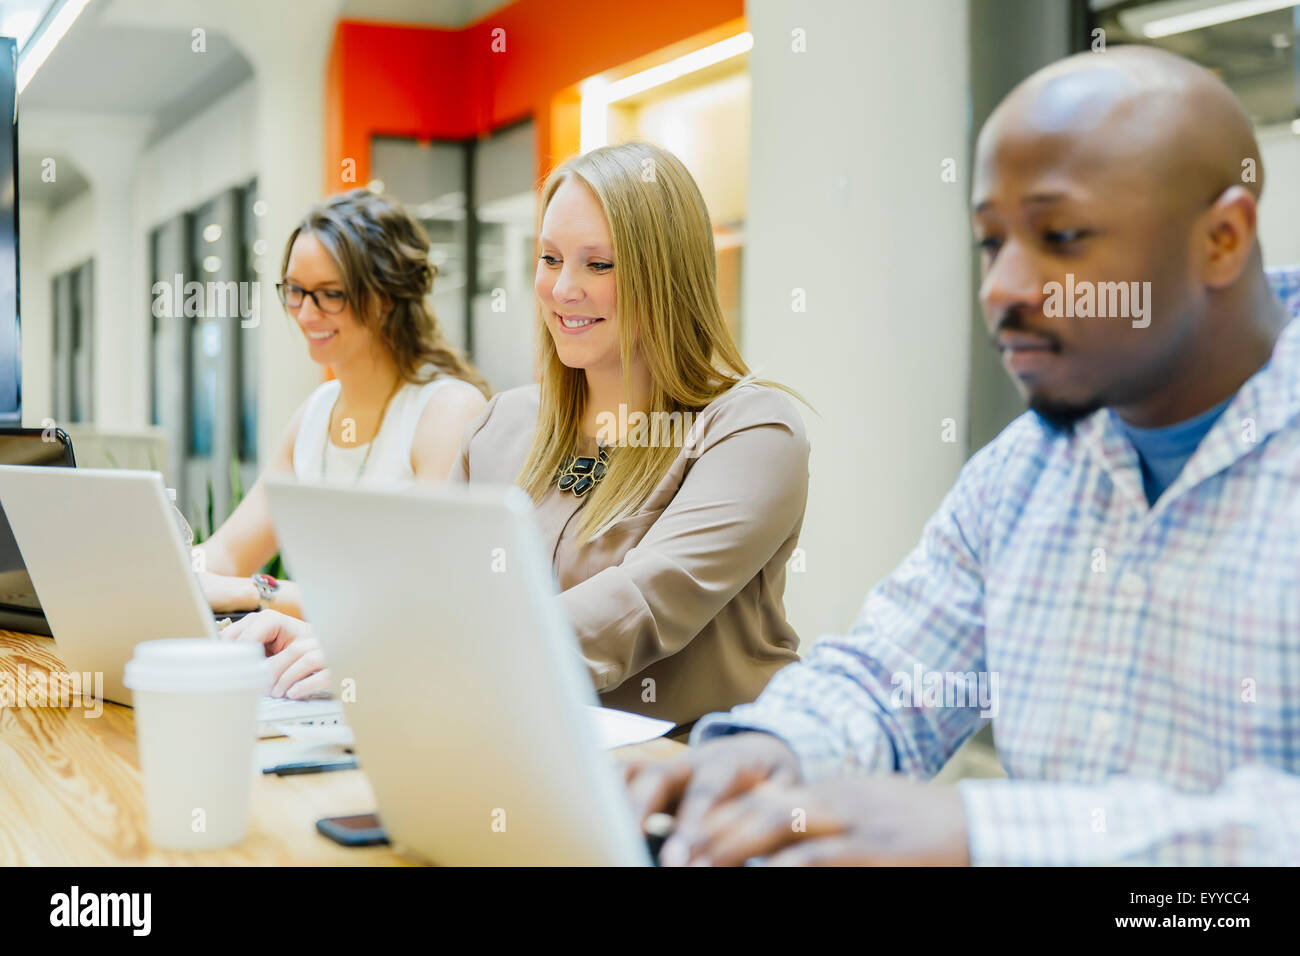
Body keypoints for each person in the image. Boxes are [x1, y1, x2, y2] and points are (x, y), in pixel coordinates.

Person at [625, 46, 1300, 866]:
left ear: (1223, 239)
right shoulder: (1025, 471)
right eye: (990, 242)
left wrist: (980, 833)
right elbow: (892, 677)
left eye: (1061, 236)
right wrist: (770, 749)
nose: (1004, 287)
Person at [233, 142, 812, 723]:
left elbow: (642, 601)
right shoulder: (501, 425)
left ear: (666, 275)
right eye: (551, 258)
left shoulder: (752, 432)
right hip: (519, 748)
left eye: (599, 264)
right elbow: (430, 591)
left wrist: (396, 655)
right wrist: (331, 632)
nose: (563, 289)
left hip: (694, 775)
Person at [197, 189, 489, 623]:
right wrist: (168, 570)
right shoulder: (315, 414)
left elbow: (419, 595)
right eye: (294, 291)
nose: (306, 313)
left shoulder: (447, 411)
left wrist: (262, 592)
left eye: (330, 294)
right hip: (309, 668)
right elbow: (226, 552)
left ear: (386, 295)